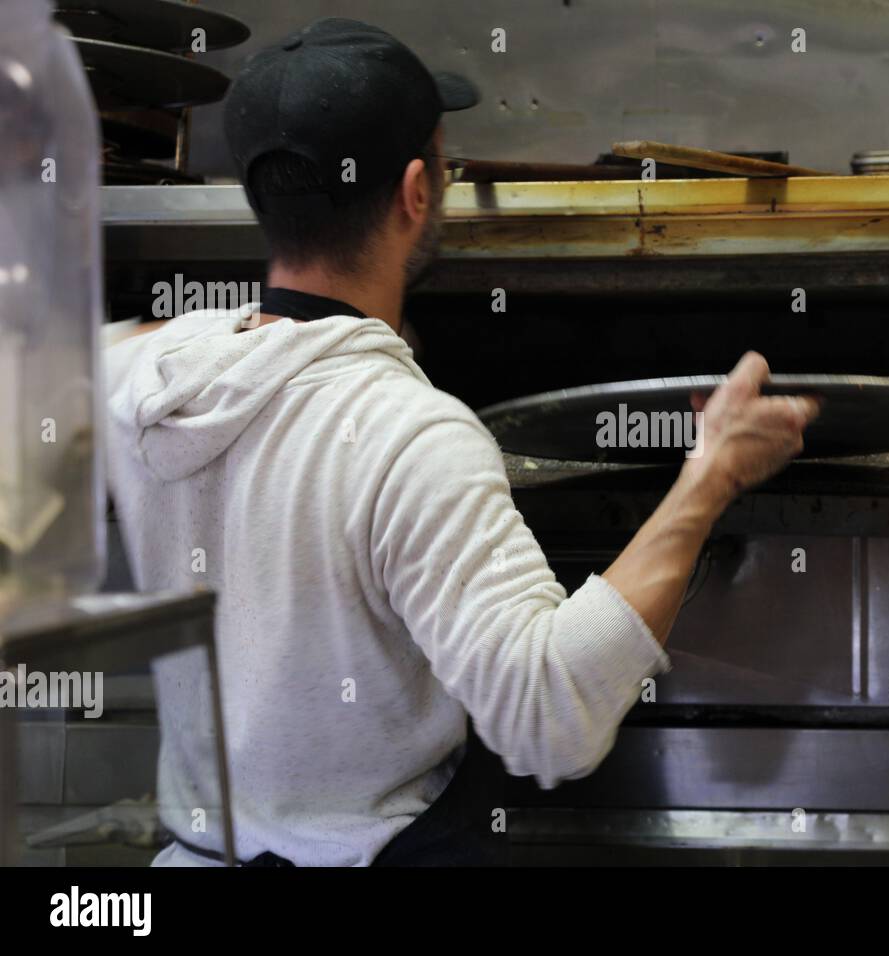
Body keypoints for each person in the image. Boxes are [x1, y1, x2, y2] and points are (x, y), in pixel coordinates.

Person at [104, 18, 819, 866]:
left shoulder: (139, 379)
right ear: (417, 190)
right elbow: (547, 716)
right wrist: (711, 476)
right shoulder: (412, 433)